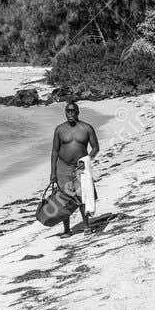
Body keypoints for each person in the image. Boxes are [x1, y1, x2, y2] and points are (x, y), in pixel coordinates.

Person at [47, 101, 99, 236]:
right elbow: (54, 151)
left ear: (78, 112)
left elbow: (95, 148)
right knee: (64, 198)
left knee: (83, 196)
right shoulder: (60, 129)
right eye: (67, 111)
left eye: (73, 111)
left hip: (80, 167)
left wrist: (86, 160)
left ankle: (86, 226)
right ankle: (66, 230)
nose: (70, 113)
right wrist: (53, 173)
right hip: (63, 167)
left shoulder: (86, 128)